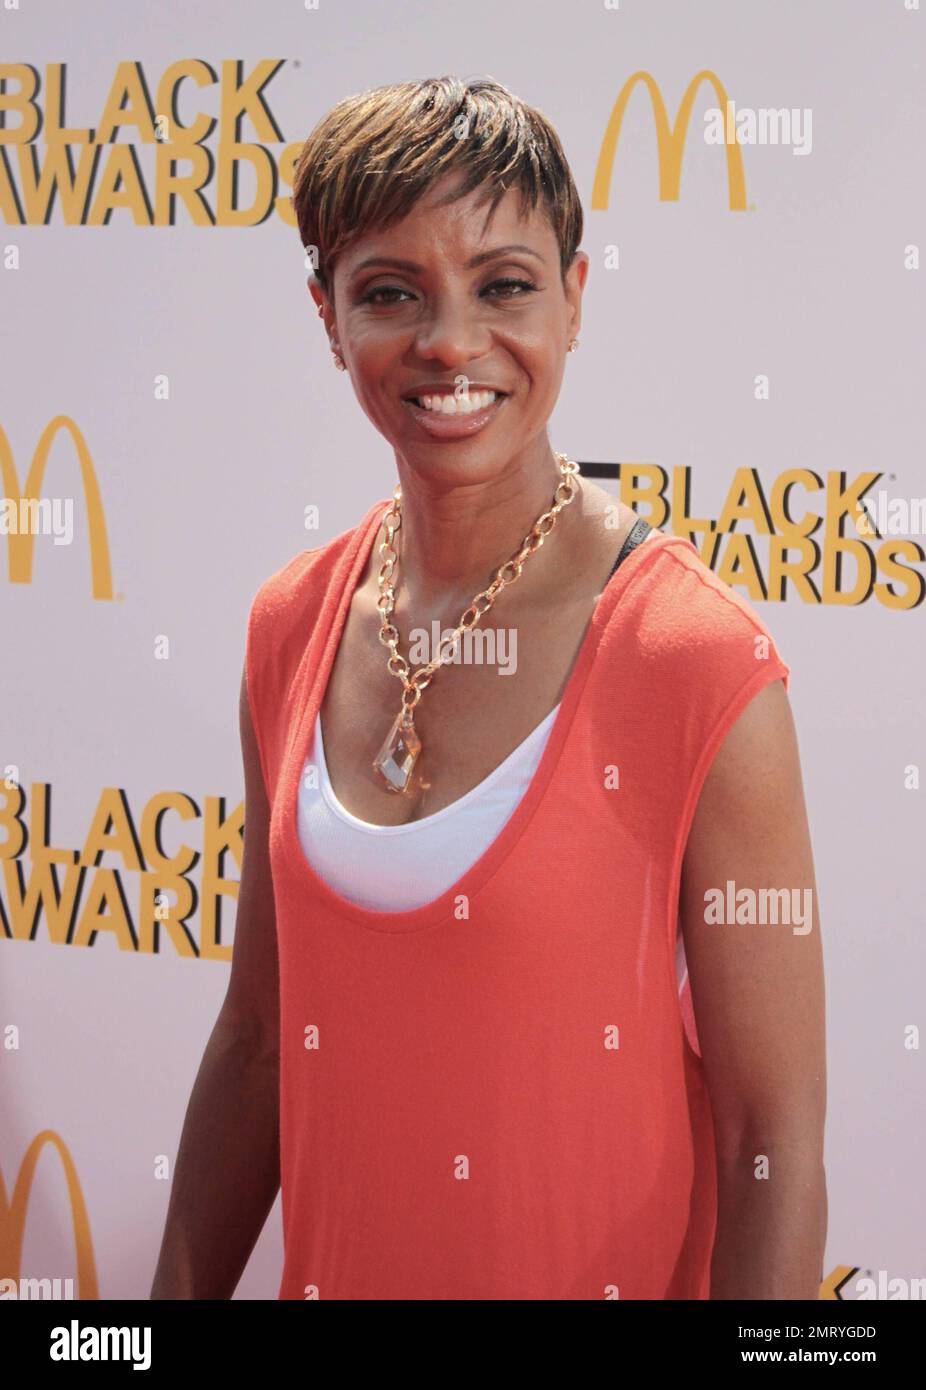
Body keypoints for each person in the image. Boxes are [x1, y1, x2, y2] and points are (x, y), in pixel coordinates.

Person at [151, 75, 826, 1301]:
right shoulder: (289, 622)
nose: (450, 343)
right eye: (390, 293)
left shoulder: (694, 658)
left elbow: (766, 1137)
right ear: (326, 315)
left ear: (573, 296)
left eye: (503, 284)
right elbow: (258, 1043)